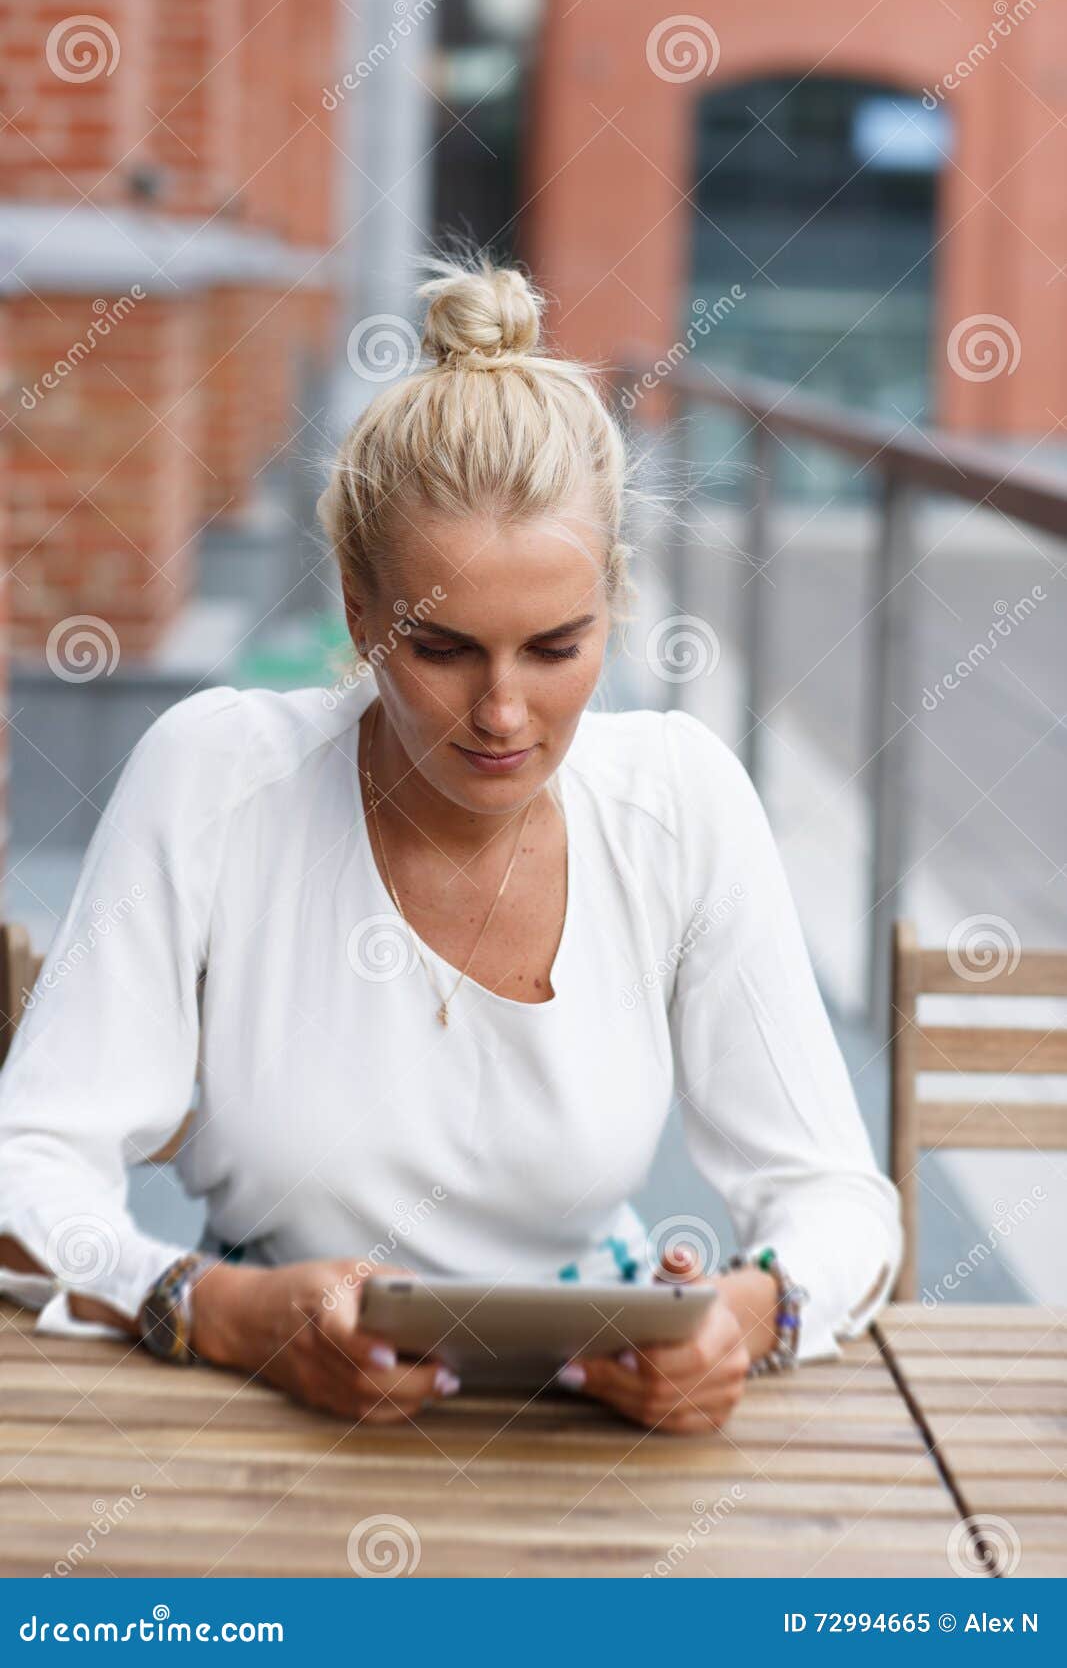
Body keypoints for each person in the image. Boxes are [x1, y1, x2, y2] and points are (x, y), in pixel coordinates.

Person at [0, 253, 901, 1434]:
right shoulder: (218, 777)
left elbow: (836, 1200)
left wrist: (744, 1314)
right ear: (356, 605)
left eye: (556, 647)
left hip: (595, 1424)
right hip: (273, 1405)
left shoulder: (677, 802)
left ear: (613, 604)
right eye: (441, 650)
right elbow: (27, 1168)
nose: (503, 714)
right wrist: (226, 1313)